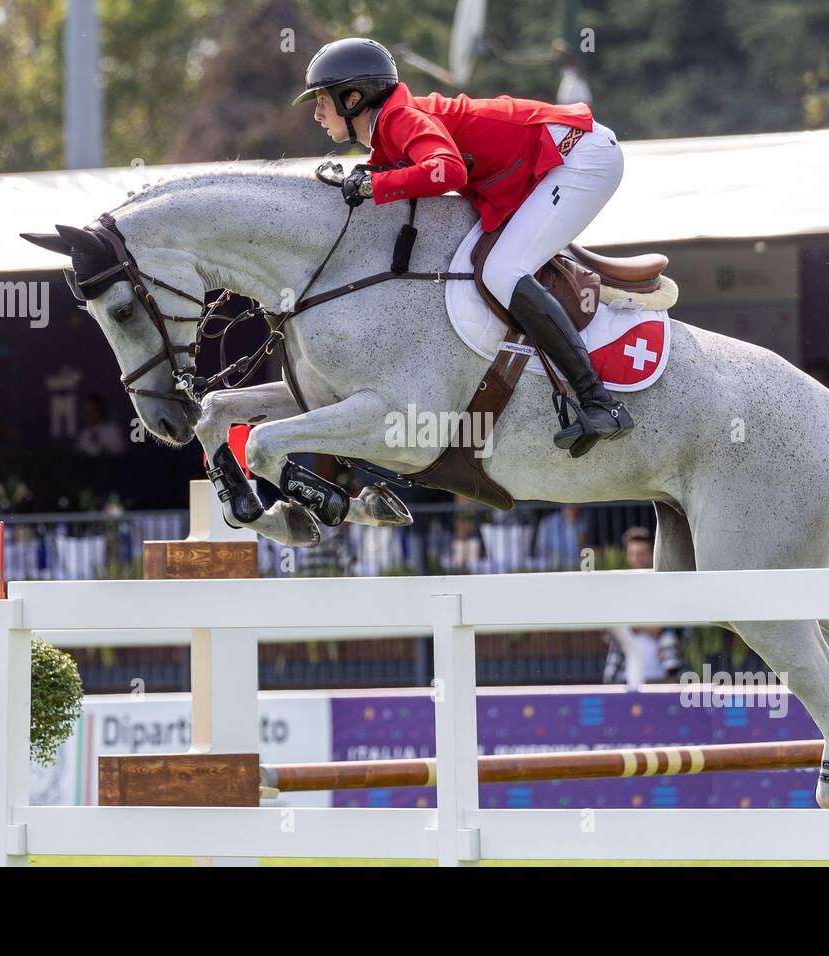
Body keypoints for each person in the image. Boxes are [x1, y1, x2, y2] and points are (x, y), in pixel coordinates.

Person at [292, 37, 633, 458]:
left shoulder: (401, 117)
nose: (317, 113)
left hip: (580, 158)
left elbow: (446, 171)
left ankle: (601, 403)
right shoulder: (389, 132)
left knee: (501, 270)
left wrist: (372, 183)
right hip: (557, 159)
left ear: (353, 97)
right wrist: (365, 178)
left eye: (322, 100)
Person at [601, 526, 684, 689]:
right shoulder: (619, 588)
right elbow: (608, 631)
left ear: (652, 553)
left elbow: (680, 627)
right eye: (632, 554)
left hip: (664, 673)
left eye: (641, 554)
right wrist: (650, 627)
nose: (637, 559)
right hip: (622, 674)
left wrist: (634, 625)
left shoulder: (664, 587)